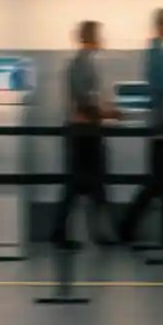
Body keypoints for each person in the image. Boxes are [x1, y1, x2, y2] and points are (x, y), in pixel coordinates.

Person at [49, 20, 119, 249]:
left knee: (89, 184)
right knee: (83, 183)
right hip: (84, 131)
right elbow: (84, 100)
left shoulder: (84, 62)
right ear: (92, 37)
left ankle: (97, 233)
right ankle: (75, 232)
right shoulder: (82, 63)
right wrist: (109, 113)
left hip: (86, 129)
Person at [118, 8, 163, 246]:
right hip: (162, 125)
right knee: (161, 182)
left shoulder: (158, 52)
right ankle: (134, 227)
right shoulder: (158, 53)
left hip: (161, 123)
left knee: (160, 182)